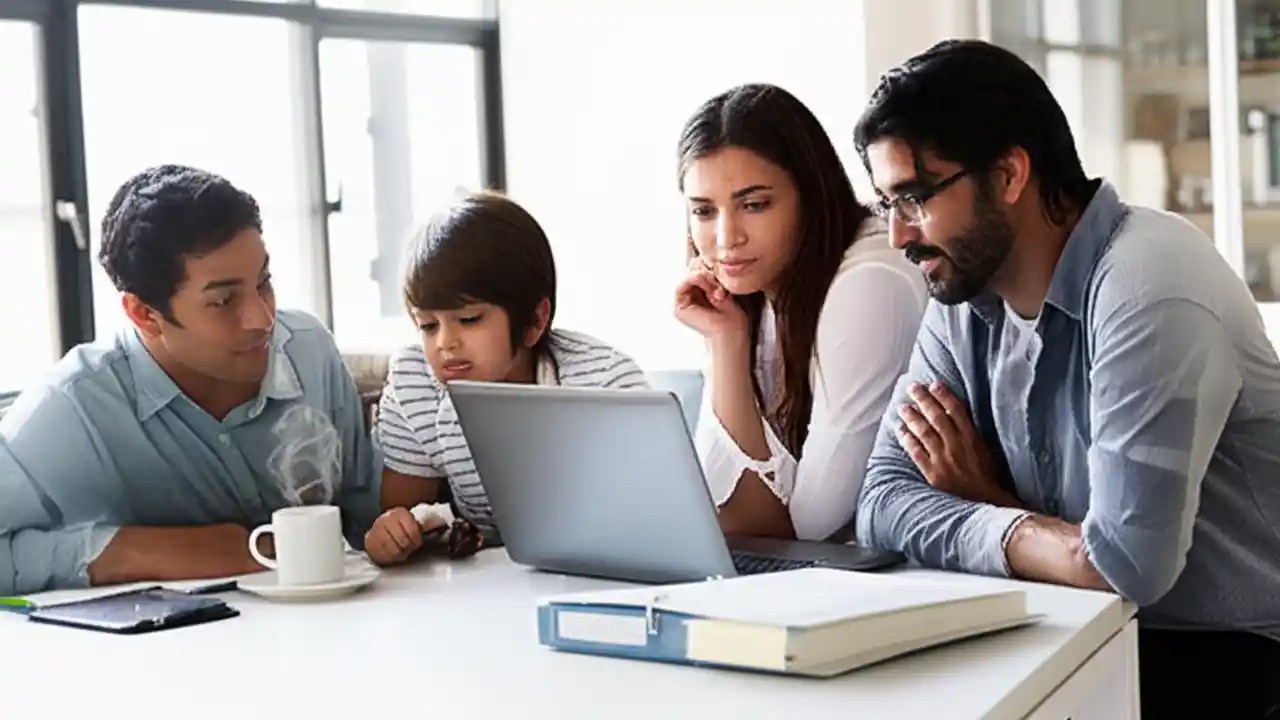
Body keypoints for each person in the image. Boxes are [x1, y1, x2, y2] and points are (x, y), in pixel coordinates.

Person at [853, 39, 1280, 717]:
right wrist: (1019, 526)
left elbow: (1122, 566)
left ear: (1010, 175)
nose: (900, 236)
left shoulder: (1149, 283)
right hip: (1078, 625)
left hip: (1236, 652)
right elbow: (879, 502)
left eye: (915, 198)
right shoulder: (963, 297)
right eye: (887, 205)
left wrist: (987, 507)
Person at [0, 165, 380, 595]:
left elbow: (366, 520)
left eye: (264, 282)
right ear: (144, 314)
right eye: (223, 301)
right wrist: (135, 553)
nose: (262, 318)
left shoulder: (309, 352)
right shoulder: (73, 407)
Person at [673, 83, 927, 541]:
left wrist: (726, 350)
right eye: (704, 211)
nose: (727, 237)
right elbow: (717, 502)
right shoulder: (751, 291)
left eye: (754, 205)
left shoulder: (869, 283)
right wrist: (724, 341)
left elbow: (811, 527)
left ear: (810, 196)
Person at [364, 191, 648, 567]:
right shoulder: (415, 382)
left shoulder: (605, 383)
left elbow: (646, 522)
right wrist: (391, 536)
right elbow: (403, 520)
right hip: (484, 591)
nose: (445, 343)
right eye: (428, 325)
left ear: (534, 322)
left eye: (469, 320)